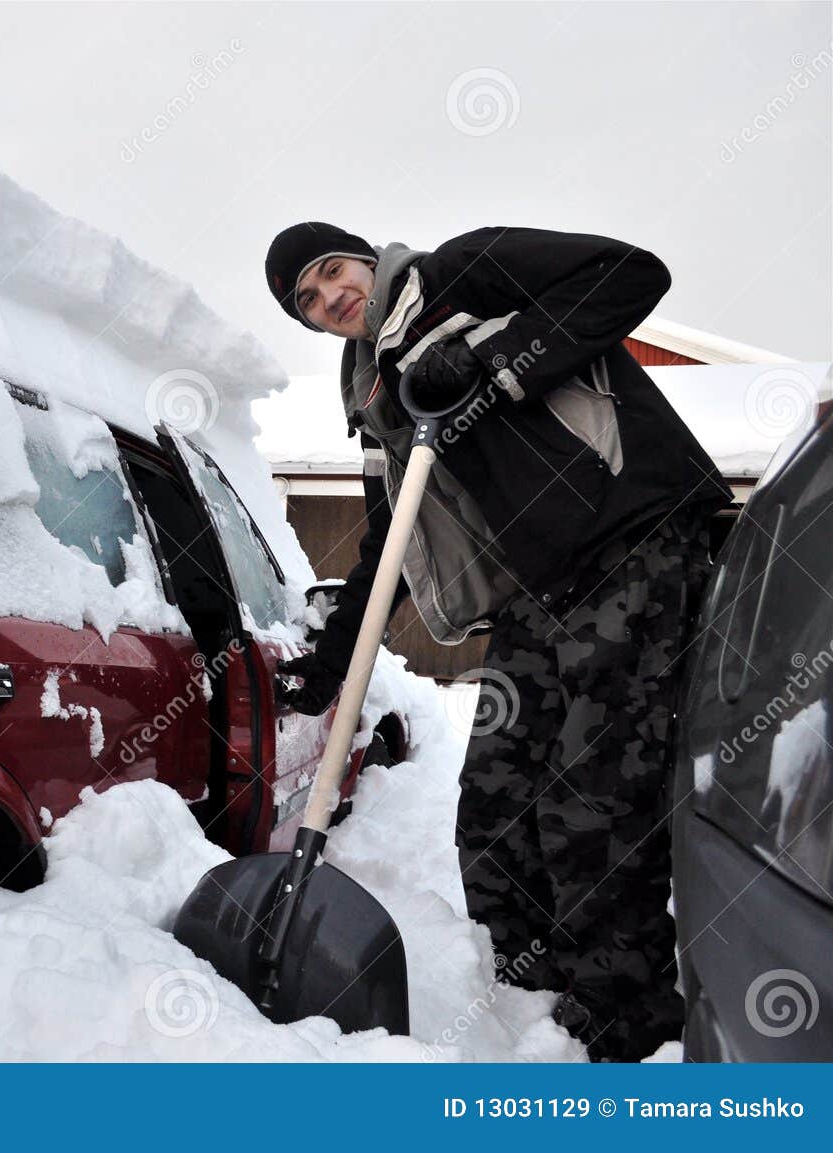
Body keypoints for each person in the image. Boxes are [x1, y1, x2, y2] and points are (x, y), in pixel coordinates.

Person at [265, 222, 731, 1061]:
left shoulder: (462, 271)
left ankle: (628, 1033)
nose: (332, 297)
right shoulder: (376, 399)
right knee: (495, 804)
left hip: (632, 539)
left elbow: (632, 273)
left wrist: (494, 360)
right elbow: (391, 542)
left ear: (364, 257)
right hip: (535, 587)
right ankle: (521, 1001)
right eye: (309, 301)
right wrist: (331, 664)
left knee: (593, 801)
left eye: (333, 271)